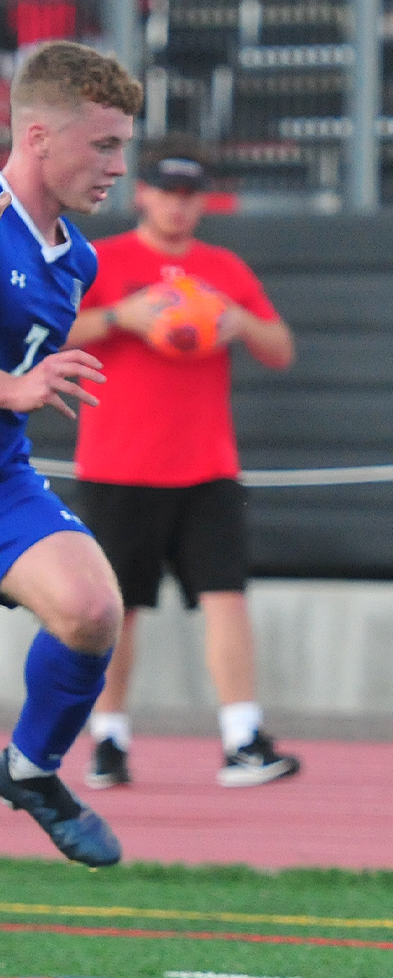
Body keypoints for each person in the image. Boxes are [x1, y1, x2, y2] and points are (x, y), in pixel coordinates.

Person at [64, 134, 299, 790]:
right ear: (142, 194)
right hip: (118, 466)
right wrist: (123, 315)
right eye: (167, 192)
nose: (177, 206)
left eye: (189, 195)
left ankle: (243, 736)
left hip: (206, 466)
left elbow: (280, 346)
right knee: (116, 609)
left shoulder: (223, 268)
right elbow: (53, 330)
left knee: (226, 598)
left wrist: (238, 325)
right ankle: (108, 738)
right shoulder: (102, 260)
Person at [0, 42, 142, 867]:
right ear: (41, 136)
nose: (119, 166)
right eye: (105, 144)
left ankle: (29, 769)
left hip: (5, 479)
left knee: (92, 611)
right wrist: (12, 389)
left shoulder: (76, 259)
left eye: (123, 144)